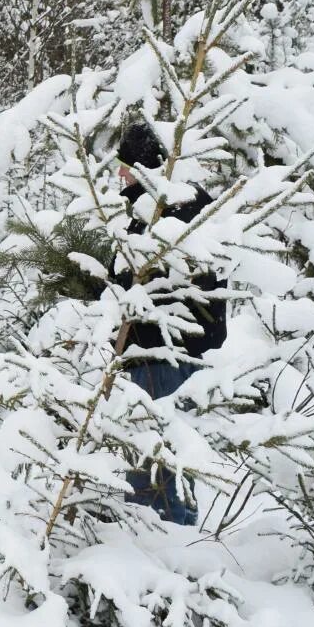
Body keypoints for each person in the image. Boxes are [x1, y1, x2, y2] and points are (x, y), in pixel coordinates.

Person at [112, 122, 227, 526]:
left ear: (142, 167)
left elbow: (146, 283)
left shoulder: (164, 213)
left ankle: (162, 548)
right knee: (168, 464)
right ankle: (173, 540)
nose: (119, 174)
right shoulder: (184, 206)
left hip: (159, 358)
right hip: (175, 356)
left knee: (152, 472)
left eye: (125, 165)